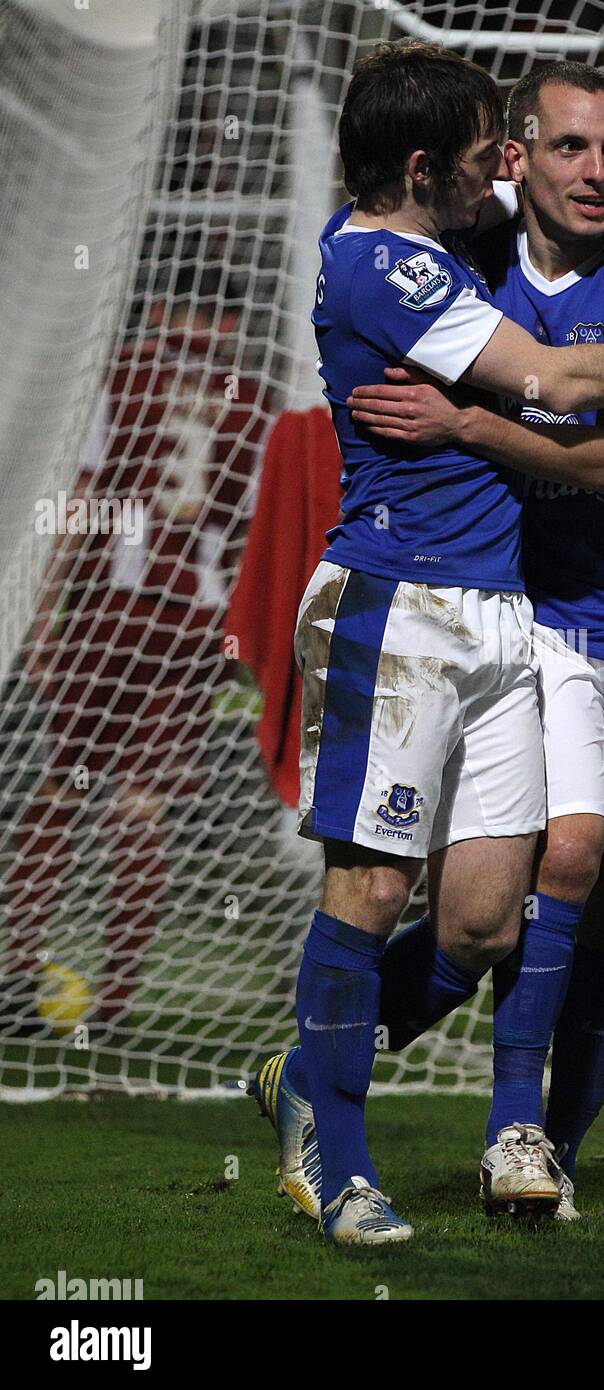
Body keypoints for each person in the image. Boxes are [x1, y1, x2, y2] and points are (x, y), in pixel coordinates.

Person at [248, 40, 604, 1245]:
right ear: (429, 168)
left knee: (480, 923)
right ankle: (341, 1165)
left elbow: (568, 207)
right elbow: (564, 386)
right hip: (399, 608)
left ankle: (319, 1074)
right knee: (371, 883)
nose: (502, 176)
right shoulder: (390, 270)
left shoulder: (450, 234)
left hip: (509, 614)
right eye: (485, 160)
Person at [1, 266, 265, 1039]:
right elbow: (249, 525)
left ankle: (17, 971)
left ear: (157, 306)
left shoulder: (125, 372)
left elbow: (86, 495)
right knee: (139, 810)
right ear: (231, 318)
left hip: (112, 609)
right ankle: (116, 1001)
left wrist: (49, 615)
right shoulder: (252, 399)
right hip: (197, 620)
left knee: (60, 787)